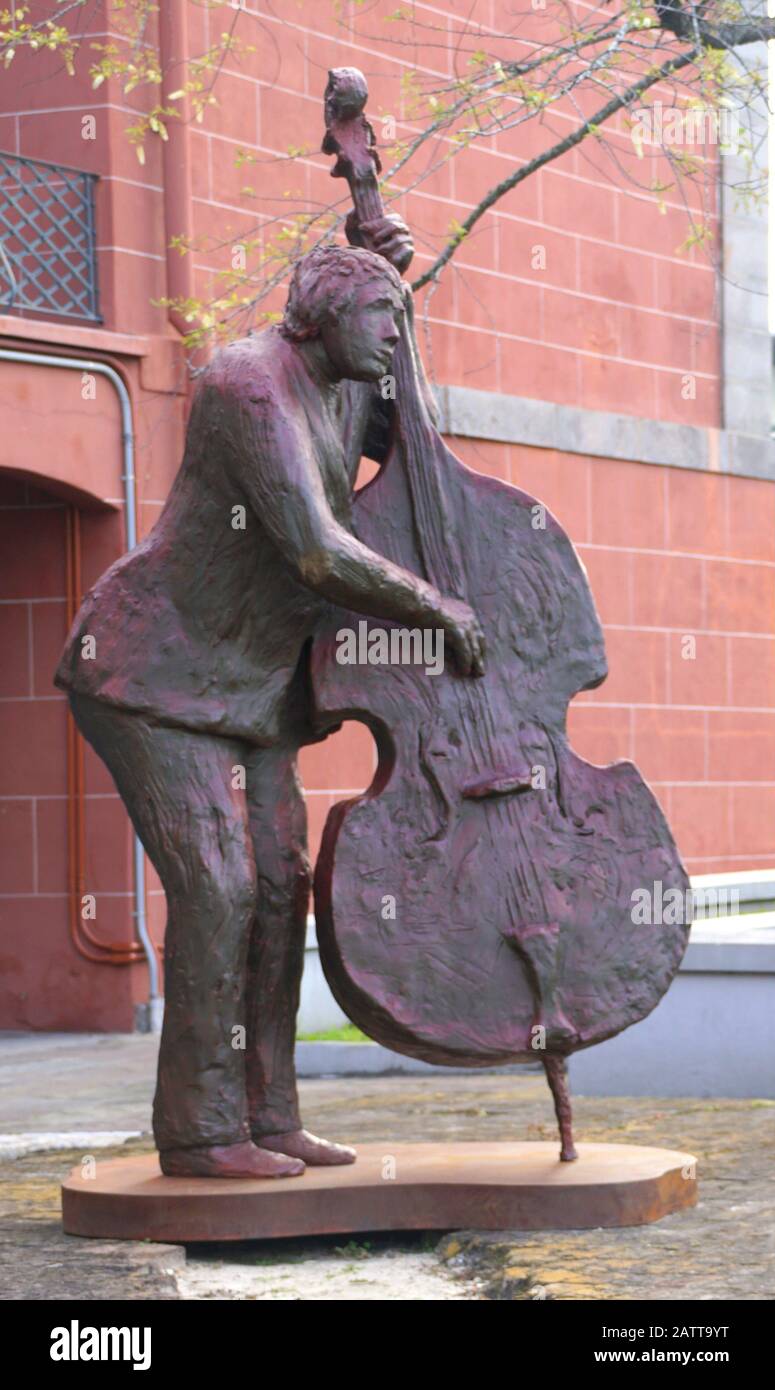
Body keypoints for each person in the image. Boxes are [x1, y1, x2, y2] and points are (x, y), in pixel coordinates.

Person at [54, 216, 485, 1180]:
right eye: (380, 313)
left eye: (399, 318)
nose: (393, 335)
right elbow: (314, 548)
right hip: (150, 670)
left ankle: (270, 1114)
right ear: (322, 314)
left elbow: (420, 451)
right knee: (220, 887)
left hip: (252, 684)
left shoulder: (346, 387)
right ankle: (200, 1131)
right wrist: (436, 608)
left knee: (279, 890)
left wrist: (387, 274)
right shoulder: (246, 382)